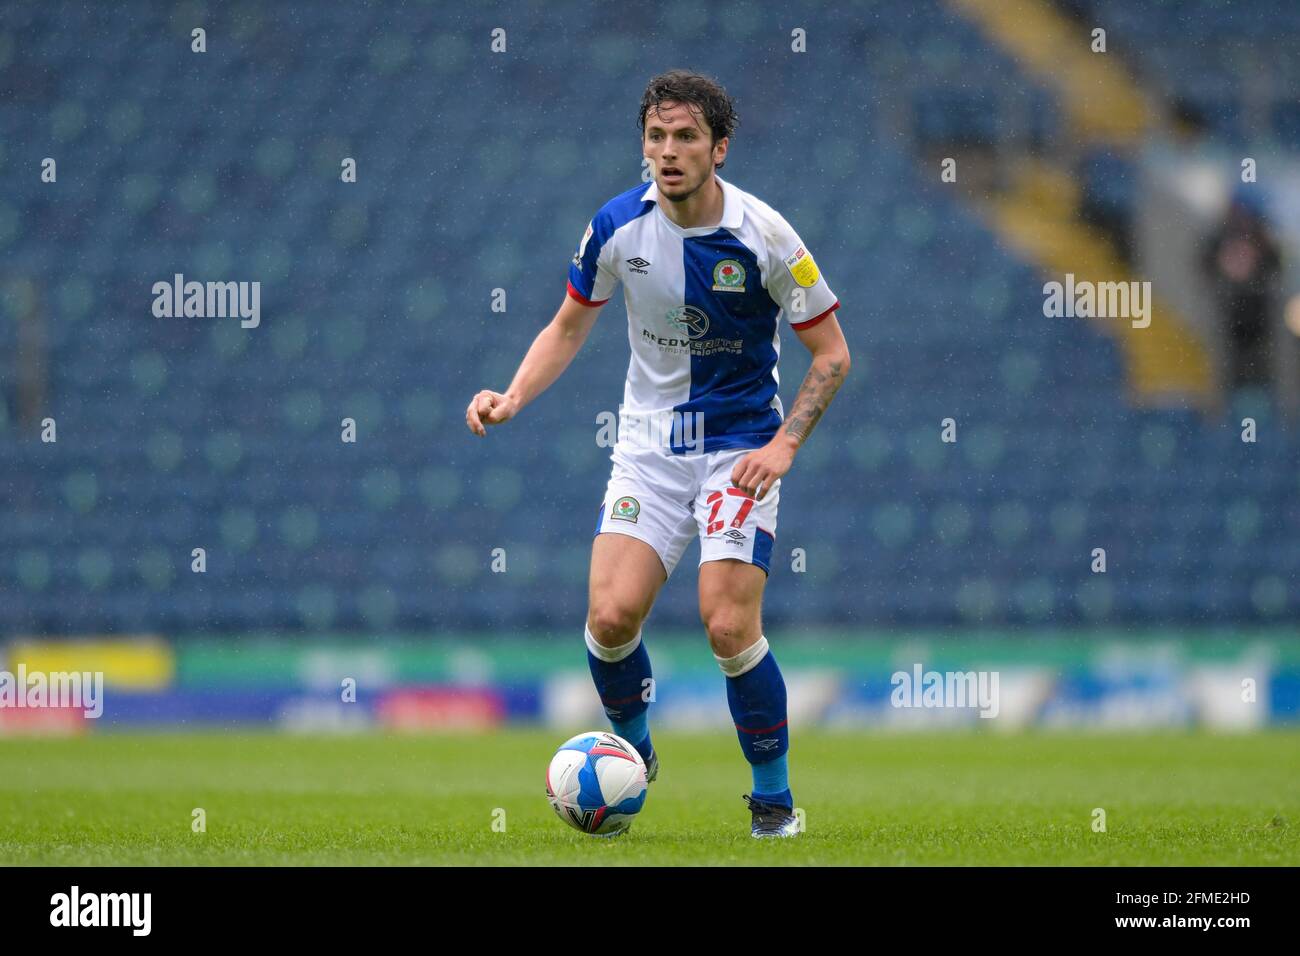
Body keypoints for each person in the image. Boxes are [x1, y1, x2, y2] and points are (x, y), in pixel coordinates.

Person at [465, 69, 851, 837]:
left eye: (684, 138)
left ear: (719, 148)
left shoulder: (766, 236)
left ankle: (773, 802)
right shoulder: (614, 226)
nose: (667, 153)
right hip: (647, 448)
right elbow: (568, 326)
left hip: (741, 447)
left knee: (727, 626)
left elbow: (833, 355)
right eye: (656, 137)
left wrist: (785, 444)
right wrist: (512, 396)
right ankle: (633, 755)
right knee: (609, 618)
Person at [1202, 197, 1282, 392]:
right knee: (1229, 358)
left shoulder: (1260, 238)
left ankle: (1258, 387)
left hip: (1256, 306)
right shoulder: (1221, 237)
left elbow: (1275, 266)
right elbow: (1206, 264)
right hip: (1230, 306)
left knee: (1260, 357)